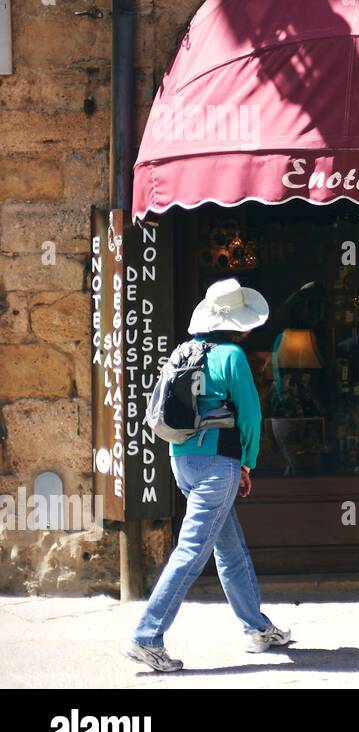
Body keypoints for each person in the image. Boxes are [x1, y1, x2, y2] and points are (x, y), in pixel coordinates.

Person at [122, 278, 291, 672]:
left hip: (182, 461)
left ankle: (257, 628)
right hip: (219, 462)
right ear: (239, 323)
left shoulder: (184, 350)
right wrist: (247, 462)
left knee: (229, 548)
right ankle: (146, 637)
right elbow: (251, 414)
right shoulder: (231, 356)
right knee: (191, 552)